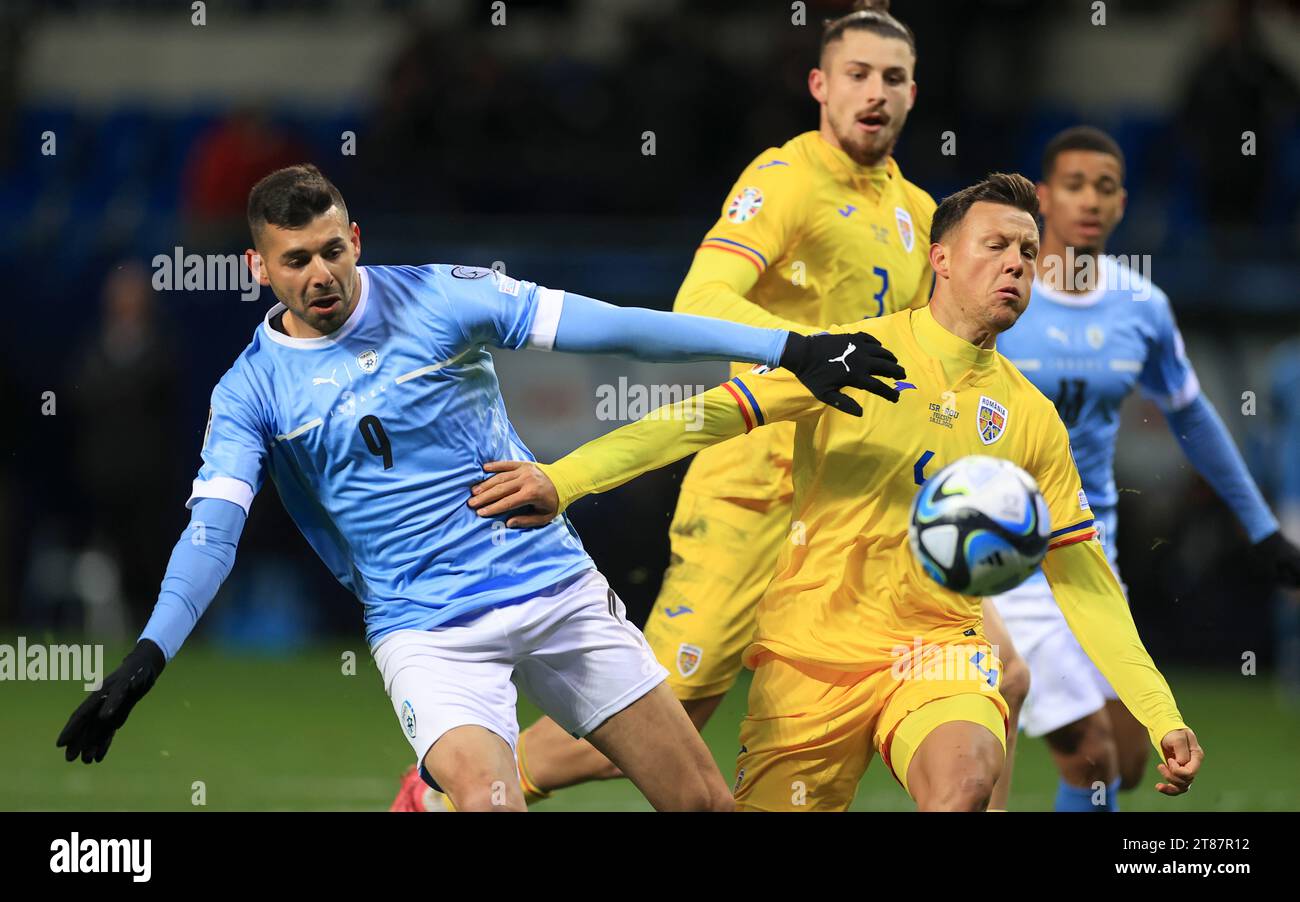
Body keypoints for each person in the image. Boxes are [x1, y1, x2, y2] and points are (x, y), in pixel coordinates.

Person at [54, 163, 904, 812]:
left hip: (552, 586)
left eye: (333, 251)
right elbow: (212, 534)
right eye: (297, 259)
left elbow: (621, 328)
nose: (321, 275)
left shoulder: (442, 297)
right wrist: (147, 655)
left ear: (357, 239)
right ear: (258, 266)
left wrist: (789, 348)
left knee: (703, 803)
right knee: (490, 802)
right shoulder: (250, 392)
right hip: (427, 632)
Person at [393, 0, 1027, 814]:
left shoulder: (917, 211)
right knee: (673, 712)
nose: (875, 92)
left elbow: (921, 358)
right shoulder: (785, 179)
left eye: (893, 78)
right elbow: (702, 298)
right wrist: (811, 348)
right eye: (857, 74)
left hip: (858, 502)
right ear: (820, 85)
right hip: (756, 490)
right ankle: (449, 794)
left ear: (914, 92)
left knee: (1002, 672)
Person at [467, 173, 1204, 810]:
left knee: (964, 785)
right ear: (941, 260)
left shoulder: (1032, 418)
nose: (1016, 263)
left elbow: (1084, 579)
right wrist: (564, 479)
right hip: (809, 659)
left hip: (939, 652)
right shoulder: (852, 356)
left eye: (1028, 252)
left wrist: (1160, 713)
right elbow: (699, 418)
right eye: (995, 246)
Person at [990, 126, 1300, 810]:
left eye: (1104, 187)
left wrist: (1262, 530)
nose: (1089, 200)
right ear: (1043, 197)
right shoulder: (1002, 293)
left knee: (1124, 763)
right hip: (995, 543)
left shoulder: (1142, 306)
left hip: (1086, 550)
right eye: (1074, 185)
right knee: (1058, 754)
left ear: (1122, 202)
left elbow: (1193, 417)